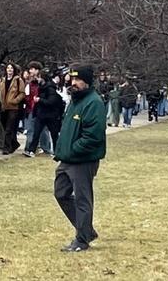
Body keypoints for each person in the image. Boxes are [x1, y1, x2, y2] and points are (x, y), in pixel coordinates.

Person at [54, 64, 107, 253]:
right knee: (61, 193)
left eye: (78, 80)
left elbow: (93, 136)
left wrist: (74, 149)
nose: (73, 83)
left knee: (83, 199)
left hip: (83, 160)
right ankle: (87, 230)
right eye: (72, 79)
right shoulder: (74, 101)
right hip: (67, 159)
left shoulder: (94, 102)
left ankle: (82, 240)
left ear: (87, 82)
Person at [25, 72, 65, 158]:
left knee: (54, 134)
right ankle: (31, 150)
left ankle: (56, 151)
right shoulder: (41, 88)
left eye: (39, 77)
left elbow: (51, 101)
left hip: (51, 115)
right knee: (36, 133)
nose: (38, 79)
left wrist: (39, 100)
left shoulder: (50, 89)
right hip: (41, 114)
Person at [0, 64, 26, 155]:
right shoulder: (2, 80)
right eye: (8, 68)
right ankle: (14, 143)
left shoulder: (18, 80)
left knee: (9, 128)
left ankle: (6, 147)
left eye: (11, 68)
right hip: (3, 107)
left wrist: (15, 100)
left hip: (13, 107)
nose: (9, 70)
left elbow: (22, 93)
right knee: (4, 126)